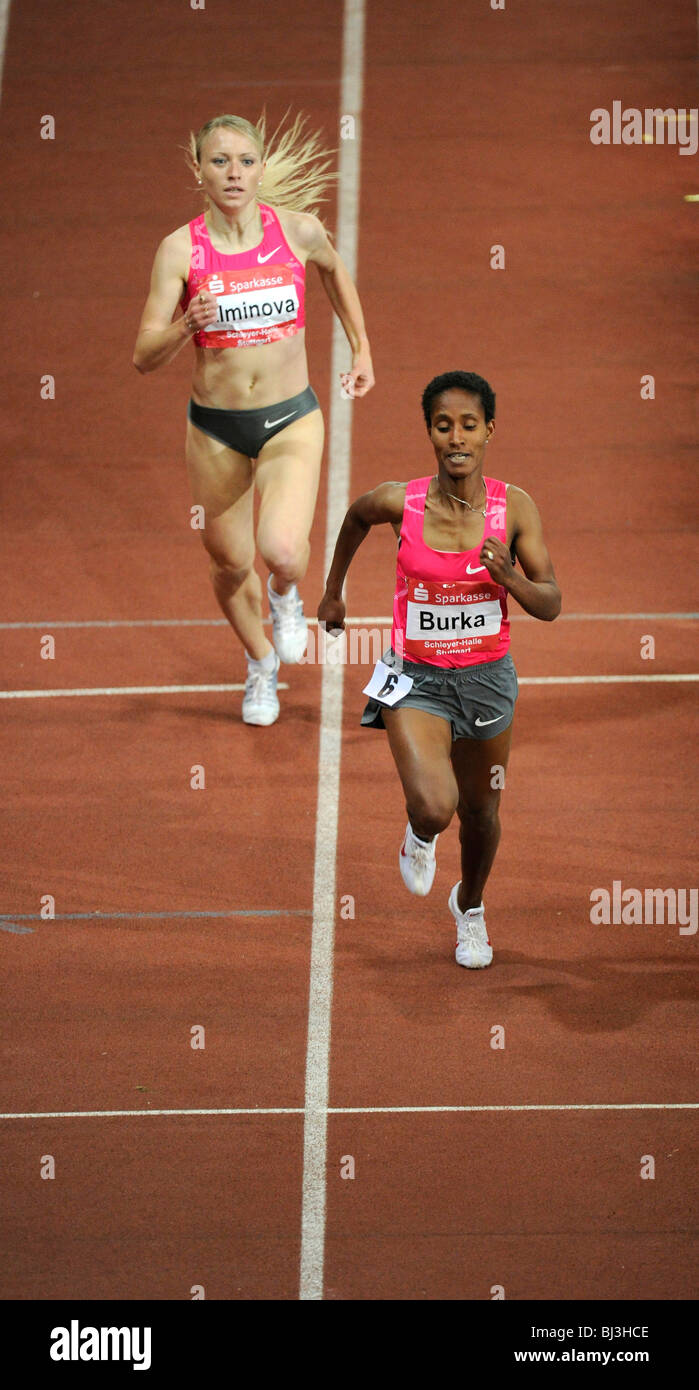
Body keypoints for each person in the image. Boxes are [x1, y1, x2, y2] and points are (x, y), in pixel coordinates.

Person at [133, 111, 374, 725]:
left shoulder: (297, 231)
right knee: (230, 561)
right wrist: (187, 323)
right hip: (216, 431)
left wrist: (362, 346)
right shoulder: (180, 250)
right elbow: (142, 356)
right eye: (220, 161)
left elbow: (334, 271)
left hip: (291, 418)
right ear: (199, 171)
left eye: (245, 161)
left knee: (282, 550)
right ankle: (261, 664)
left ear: (261, 168)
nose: (234, 173)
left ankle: (285, 595)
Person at [318, 371, 561, 968]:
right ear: (429, 431)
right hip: (416, 679)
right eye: (443, 425)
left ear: (489, 432)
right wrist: (333, 594)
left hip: (487, 682)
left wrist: (510, 579)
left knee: (481, 813)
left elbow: (551, 603)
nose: (457, 437)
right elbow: (353, 517)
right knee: (435, 805)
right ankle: (418, 834)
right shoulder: (402, 502)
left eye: (469, 426)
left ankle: (469, 907)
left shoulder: (515, 507)